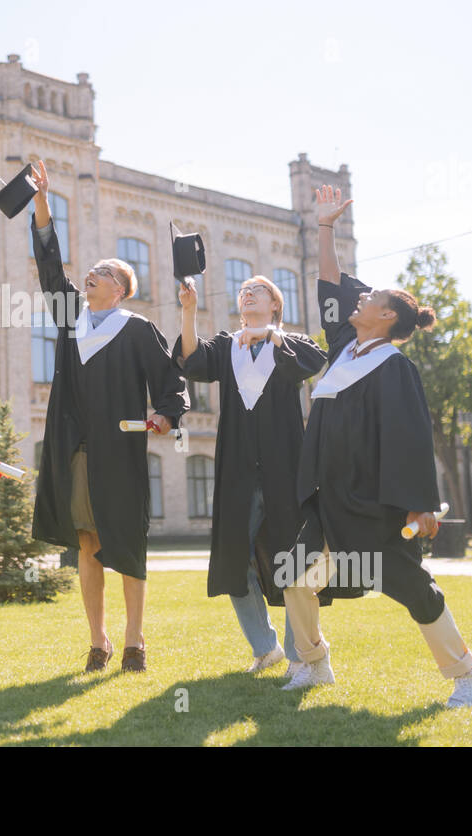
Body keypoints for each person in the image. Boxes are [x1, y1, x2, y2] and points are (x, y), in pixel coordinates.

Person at [280, 184, 472, 708]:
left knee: (412, 588)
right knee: (296, 577)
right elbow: (329, 285)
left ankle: (467, 678)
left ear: (388, 317)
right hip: (330, 500)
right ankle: (314, 662)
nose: (358, 300)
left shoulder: (392, 367)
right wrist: (324, 227)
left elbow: (410, 436)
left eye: (368, 299)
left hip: (373, 503)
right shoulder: (344, 351)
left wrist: (419, 502)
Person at [27, 160, 189, 673]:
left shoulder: (138, 330)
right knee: (88, 542)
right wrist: (41, 202)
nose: (89, 276)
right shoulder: (72, 318)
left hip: (119, 450)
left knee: (126, 539)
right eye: (90, 272)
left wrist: (165, 416)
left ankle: (134, 638)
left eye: (100, 274)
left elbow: (171, 384)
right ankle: (97, 640)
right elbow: (51, 268)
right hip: (76, 446)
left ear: (119, 290)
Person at [175, 272, 327, 679]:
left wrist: (273, 337)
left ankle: (300, 654)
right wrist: (188, 312)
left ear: (275, 304)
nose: (246, 295)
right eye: (242, 291)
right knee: (233, 556)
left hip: (286, 469)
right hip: (237, 470)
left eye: (256, 291)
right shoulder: (228, 346)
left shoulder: (291, 343)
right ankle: (266, 647)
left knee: (295, 562)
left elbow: (315, 362)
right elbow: (190, 360)